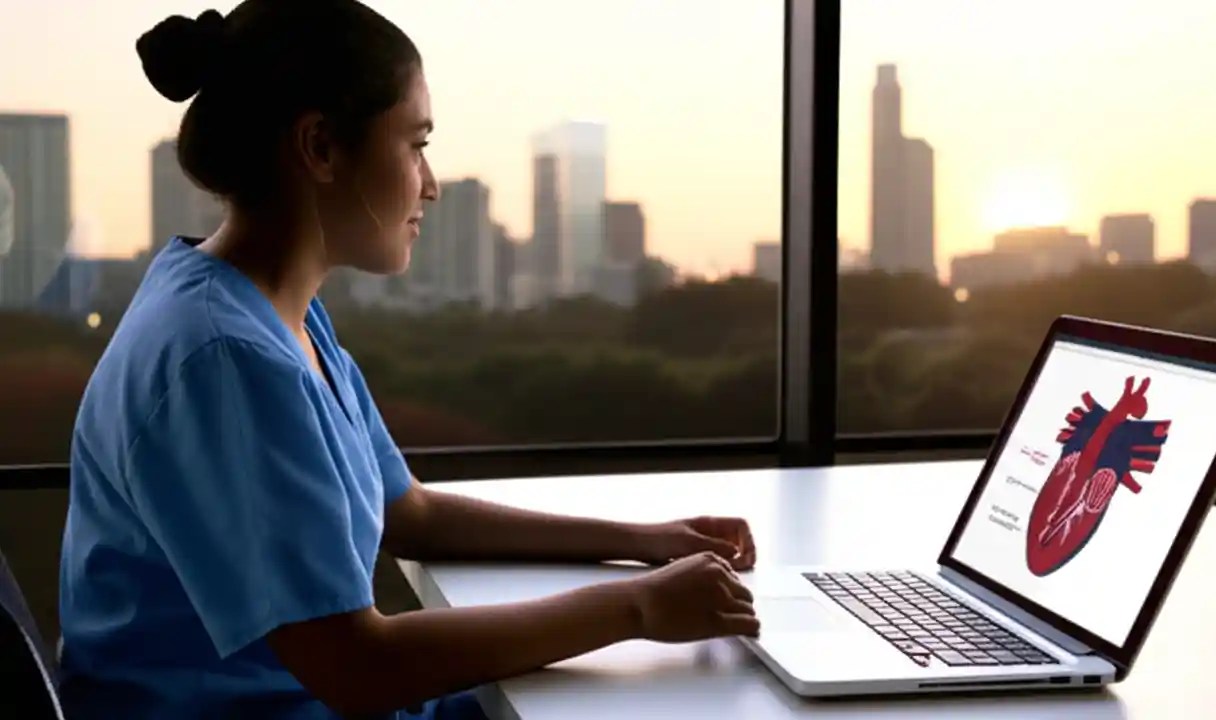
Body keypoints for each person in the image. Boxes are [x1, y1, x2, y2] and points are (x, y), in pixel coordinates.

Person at [57, 1, 759, 718]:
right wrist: (638, 608)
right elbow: (358, 667)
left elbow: (409, 511)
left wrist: (644, 544)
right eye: (416, 143)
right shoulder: (227, 358)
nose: (430, 182)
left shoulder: (268, 317)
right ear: (321, 148)